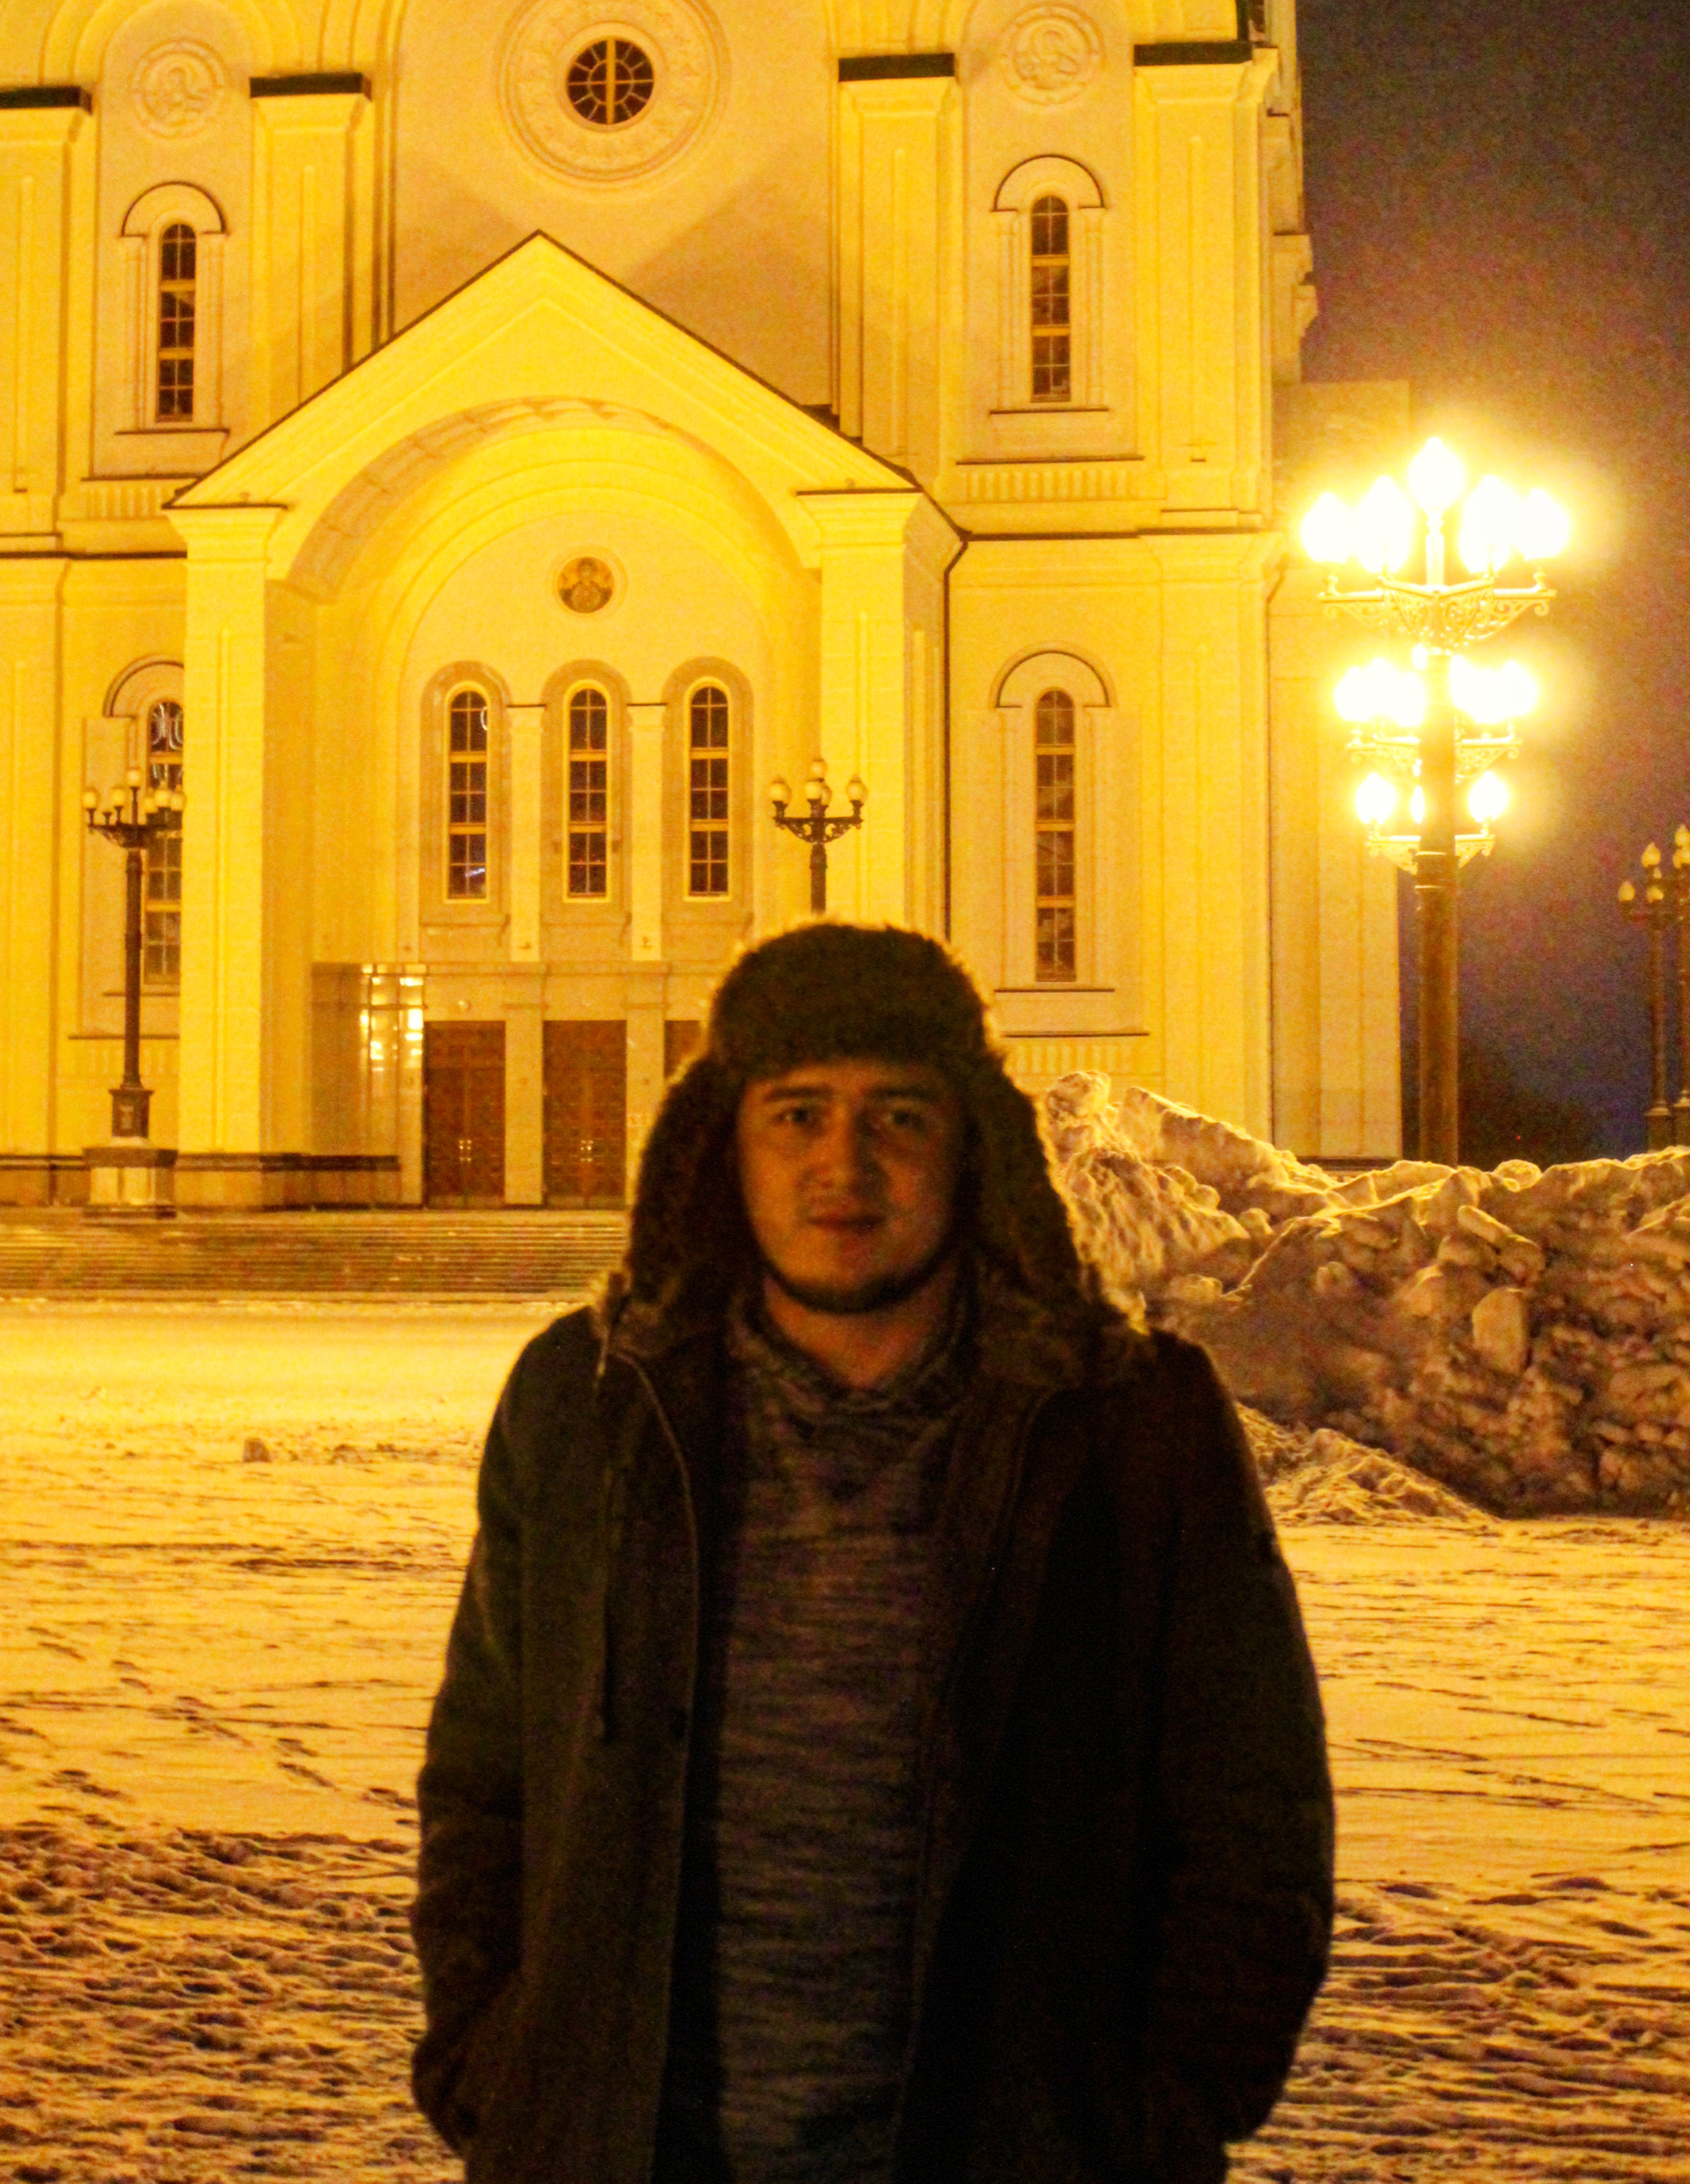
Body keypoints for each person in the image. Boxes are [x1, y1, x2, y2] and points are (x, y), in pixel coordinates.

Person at [412, 924, 1334, 2184]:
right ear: (722, 1143)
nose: (842, 1163)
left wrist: (1157, 2114)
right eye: (797, 1114)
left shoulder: (1126, 1426)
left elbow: (1253, 1811)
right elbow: (485, 1778)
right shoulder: (589, 1405)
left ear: (974, 1146)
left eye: (898, 1116)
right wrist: (497, 2065)